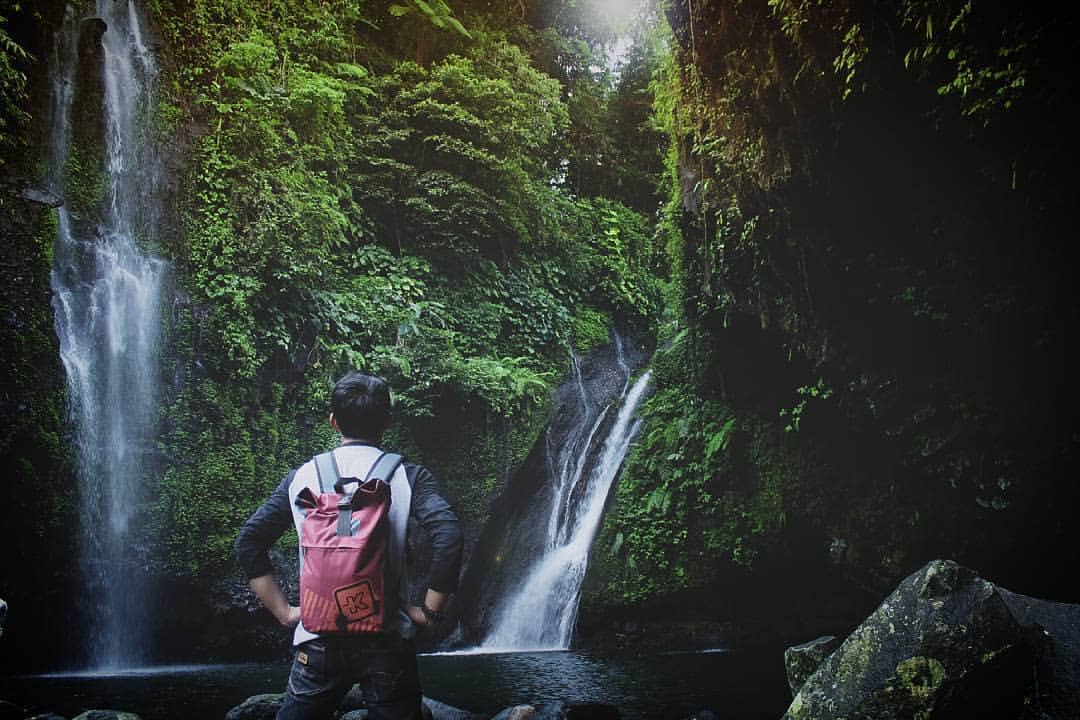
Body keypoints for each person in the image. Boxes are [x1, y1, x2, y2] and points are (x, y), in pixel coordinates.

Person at [236, 371, 463, 720]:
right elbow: (448, 535)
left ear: (333, 421)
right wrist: (430, 613)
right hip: (388, 639)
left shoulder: (303, 477)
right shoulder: (408, 476)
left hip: (318, 639)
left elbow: (249, 542)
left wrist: (285, 612)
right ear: (388, 421)